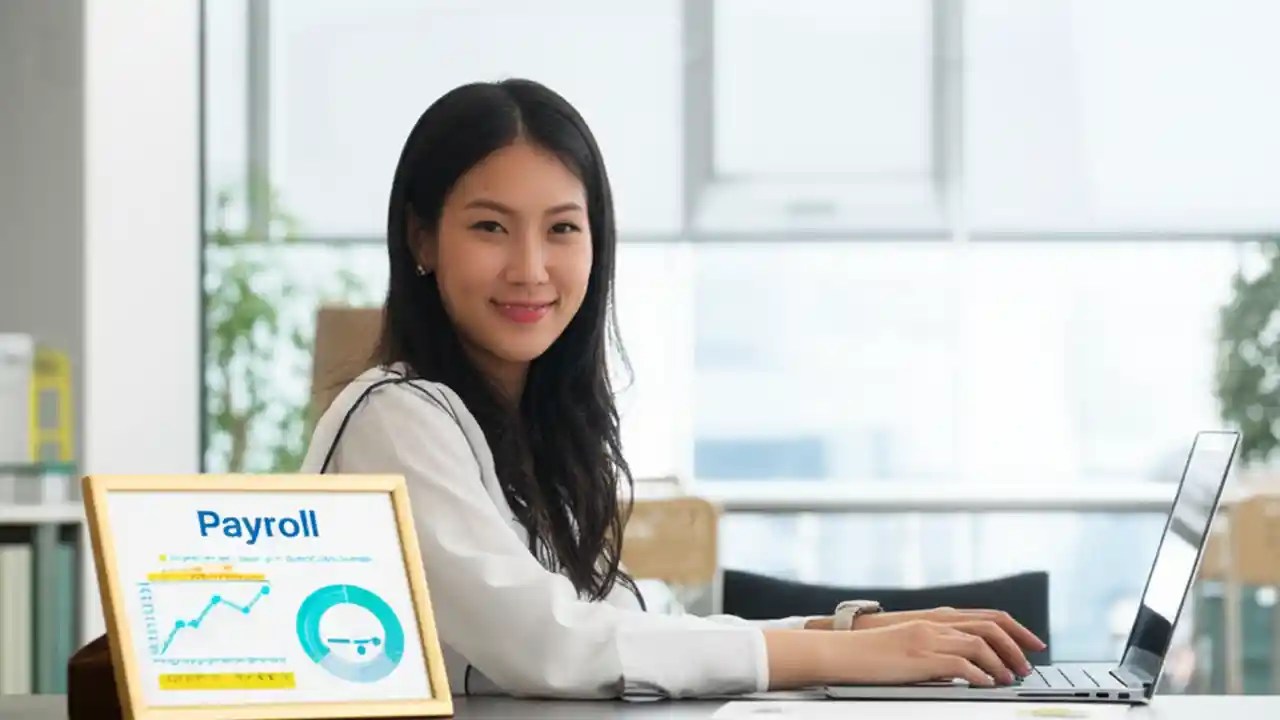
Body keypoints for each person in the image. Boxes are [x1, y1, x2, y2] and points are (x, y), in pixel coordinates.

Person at [300, 78, 1046, 699]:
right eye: (491, 227)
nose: (531, 267)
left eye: (562, 229)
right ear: (423, 239)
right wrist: (842, 658)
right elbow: (553, 647)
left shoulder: (528, 427)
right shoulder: (392, 418)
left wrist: (842, 630)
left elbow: (625, 629)